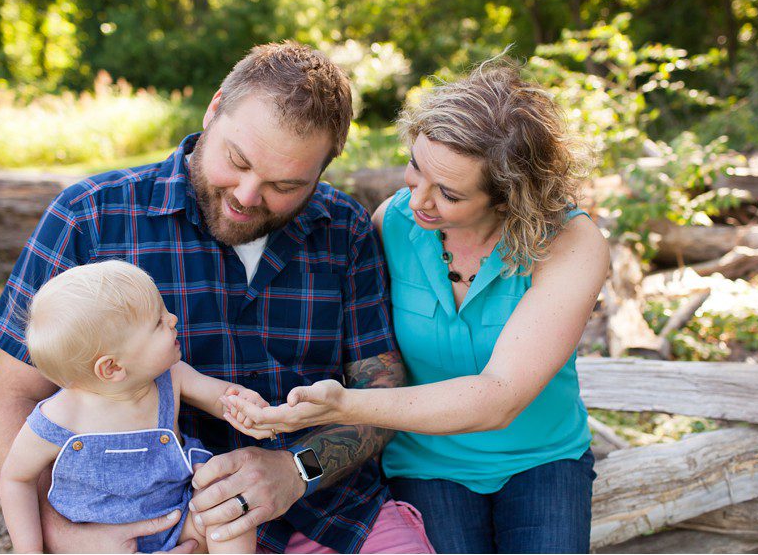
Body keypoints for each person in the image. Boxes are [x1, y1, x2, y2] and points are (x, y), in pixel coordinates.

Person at [0, 41, 434, 554]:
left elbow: (380, 389)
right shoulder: (88, 217)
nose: (247, 195)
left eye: (284, 184)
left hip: (328, 512)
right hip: (148, 524)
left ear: (323, 169)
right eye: (237, 160)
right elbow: (19, 395)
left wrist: (297, 470)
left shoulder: (346, 229)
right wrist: (60, 535)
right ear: (215, 107)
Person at [224, 59, 610, 553]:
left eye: (448, 193)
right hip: (424, 459)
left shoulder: (570, 243)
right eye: (415, 169)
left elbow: (499, 396)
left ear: (510, 197)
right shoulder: (396, 223)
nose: (419, 200)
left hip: (541, 456)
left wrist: (346, 404)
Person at [0, 260, 263, 554]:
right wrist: (29, 549)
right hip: (96, 543)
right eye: (158, 322)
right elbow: (16, 478)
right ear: (112, 367)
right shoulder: (59, 418)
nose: (173, 318)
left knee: (230, 512)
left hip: (178, 523)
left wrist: (245, 405)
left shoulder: (171, 377)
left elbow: (218, 396)